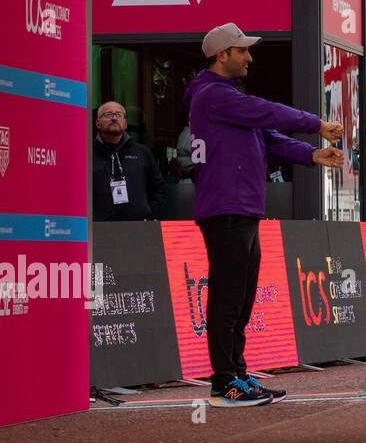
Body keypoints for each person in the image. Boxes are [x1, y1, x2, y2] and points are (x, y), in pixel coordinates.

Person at [184, 23, 343, 407]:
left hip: (240, 208)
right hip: (226, 208)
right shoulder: (211, 94)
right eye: (243, 51)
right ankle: (225, 381)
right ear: (222, 55)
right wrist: (316, 125)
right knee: (228, 298)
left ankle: (236, 375)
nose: (249, 57)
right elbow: (267, 112)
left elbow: (267, 135)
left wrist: (310, 154)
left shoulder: (224, 98)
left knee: (240, 297)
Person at [91, 101, 167, 221]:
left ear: (125, 124)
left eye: (119, 114)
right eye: (108, 114)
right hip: (98, 228)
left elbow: (158, 188)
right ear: (98, 123)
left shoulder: (142, 152)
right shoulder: (86, 154)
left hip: (138, 226)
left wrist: (151, 213)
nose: (114, 118)